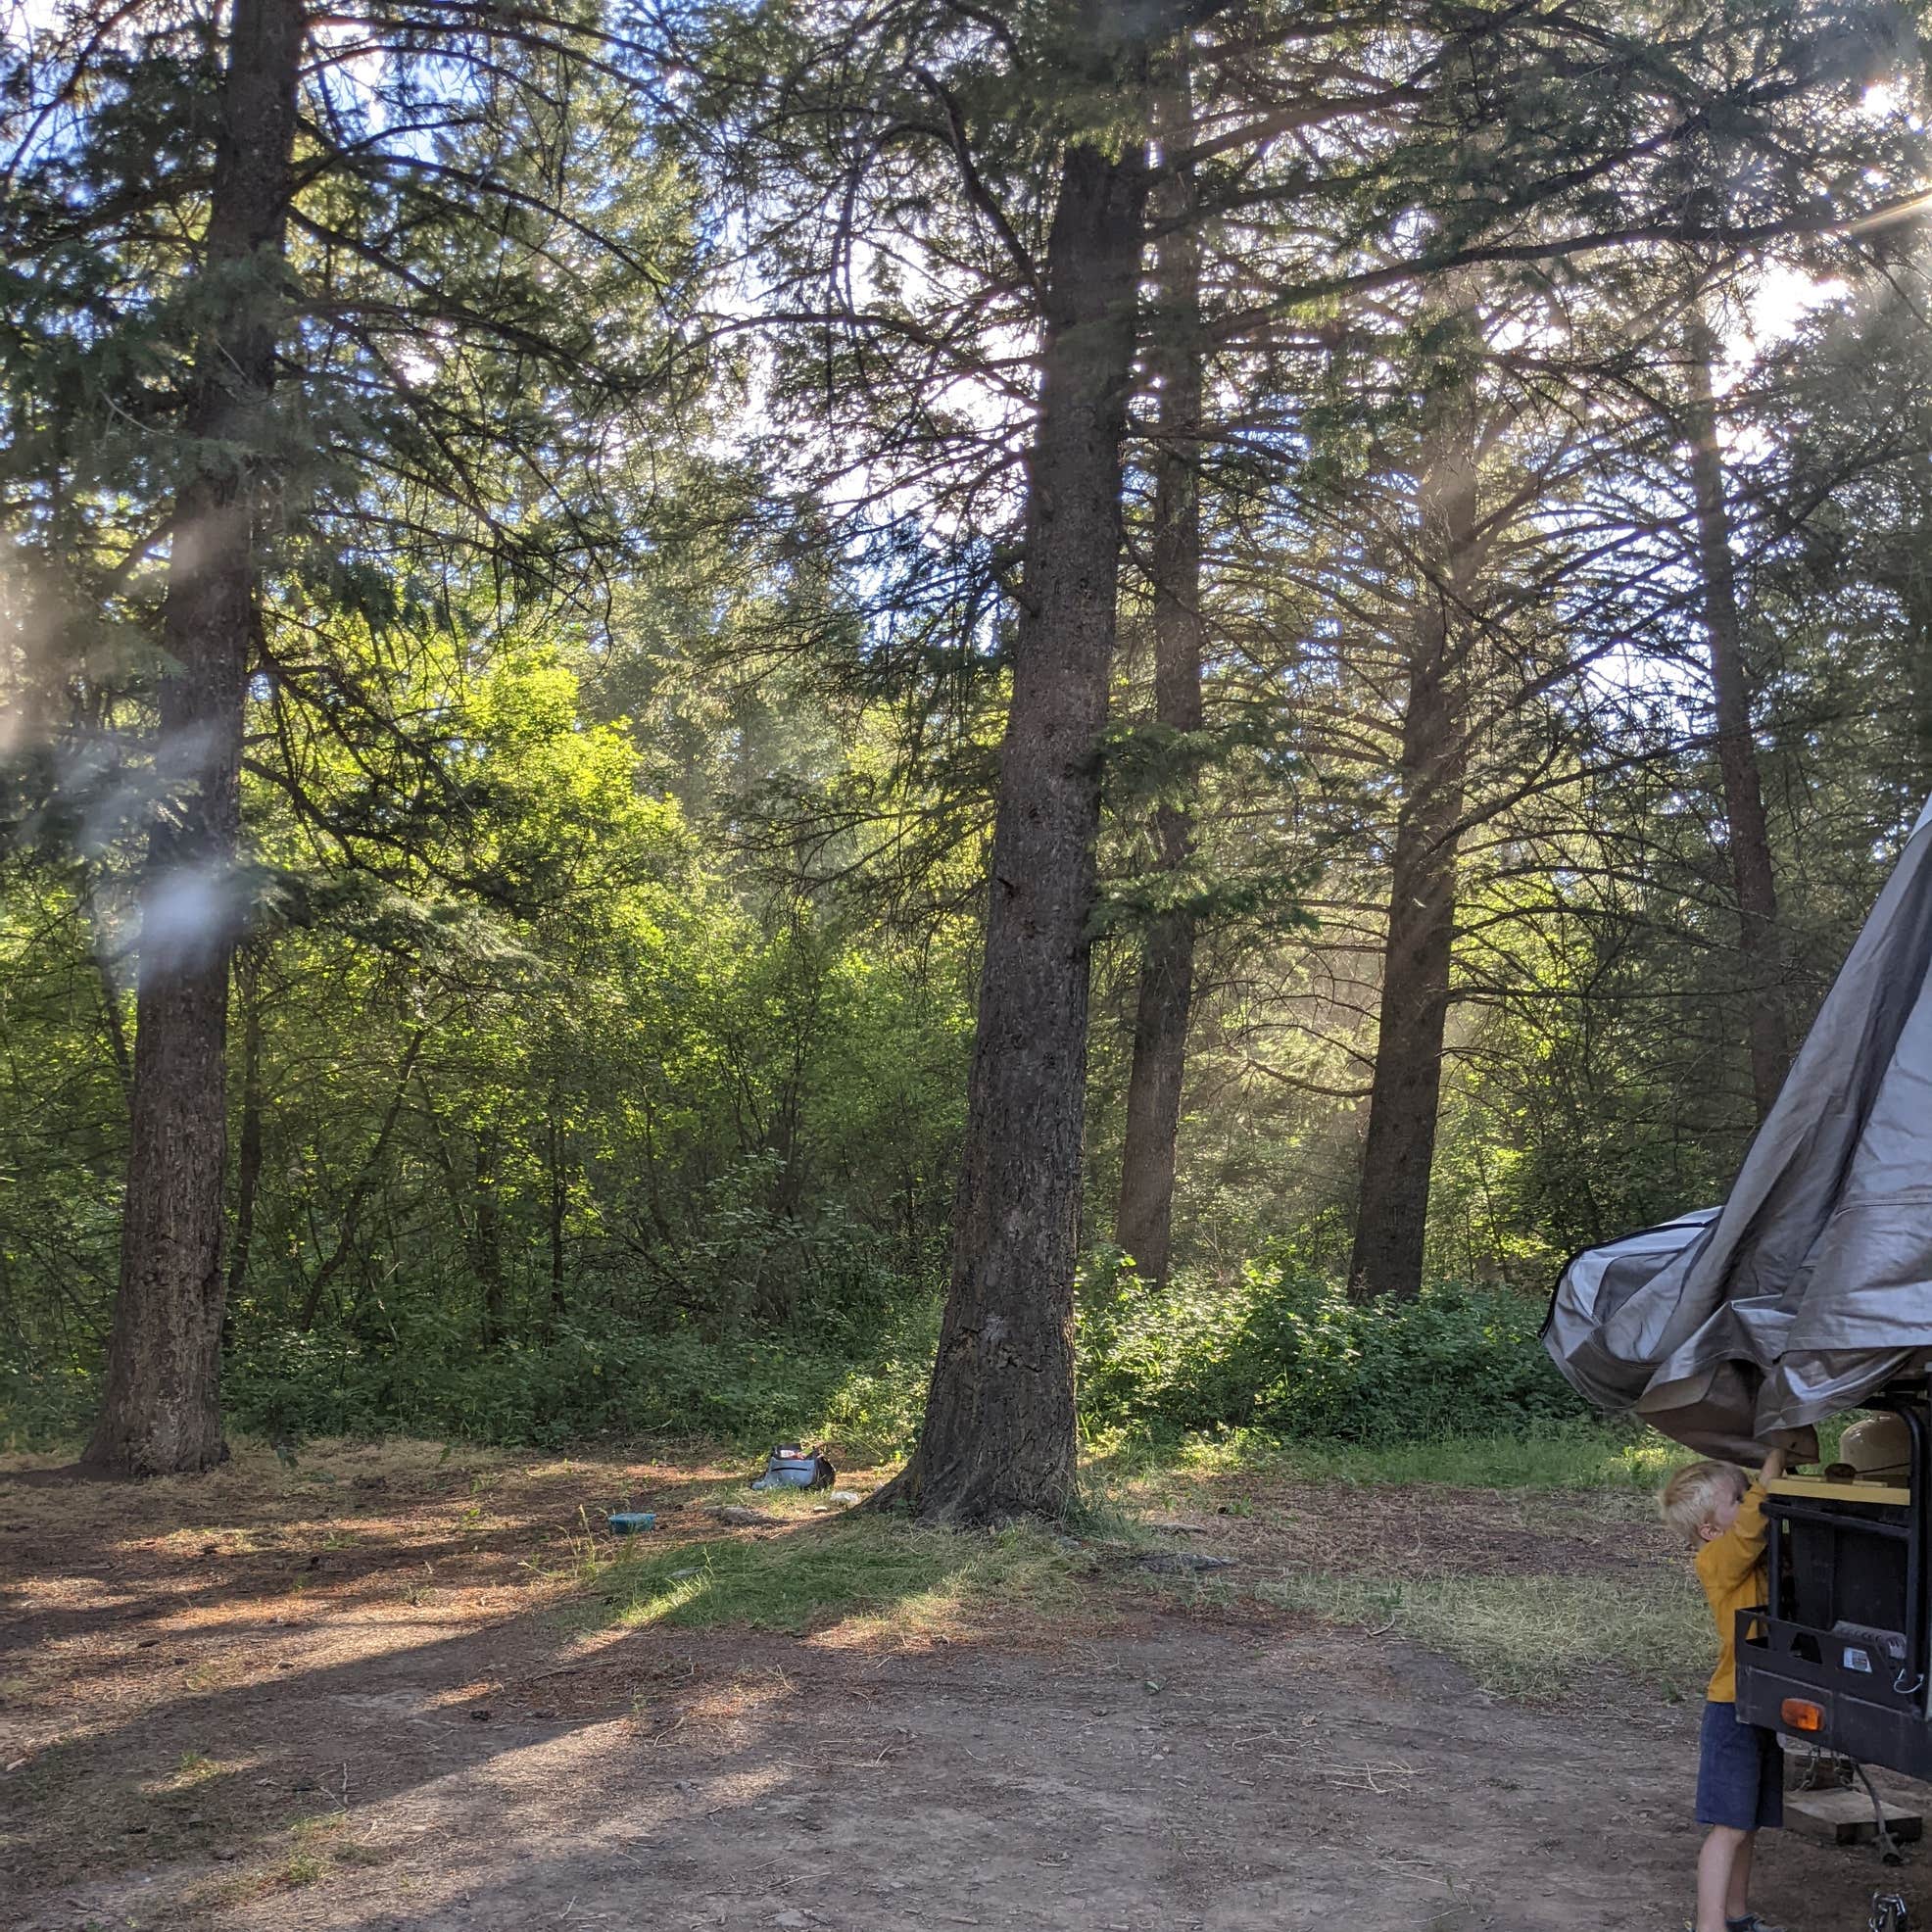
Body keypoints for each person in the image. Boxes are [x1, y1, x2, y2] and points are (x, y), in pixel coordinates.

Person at [1658, 1446, 1789, 1932]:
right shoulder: (1716, 1559)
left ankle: (1738, 1919)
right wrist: (1770, 1471)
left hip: (1757, 1702)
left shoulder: (1743, 1555)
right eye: (1739, 1496)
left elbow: (1757, 1525)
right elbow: (1755, 1523)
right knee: (1728, 1828)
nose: (1751, 1501)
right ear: (1711, 1529)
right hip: (1731, 1708)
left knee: (1746, 1825)